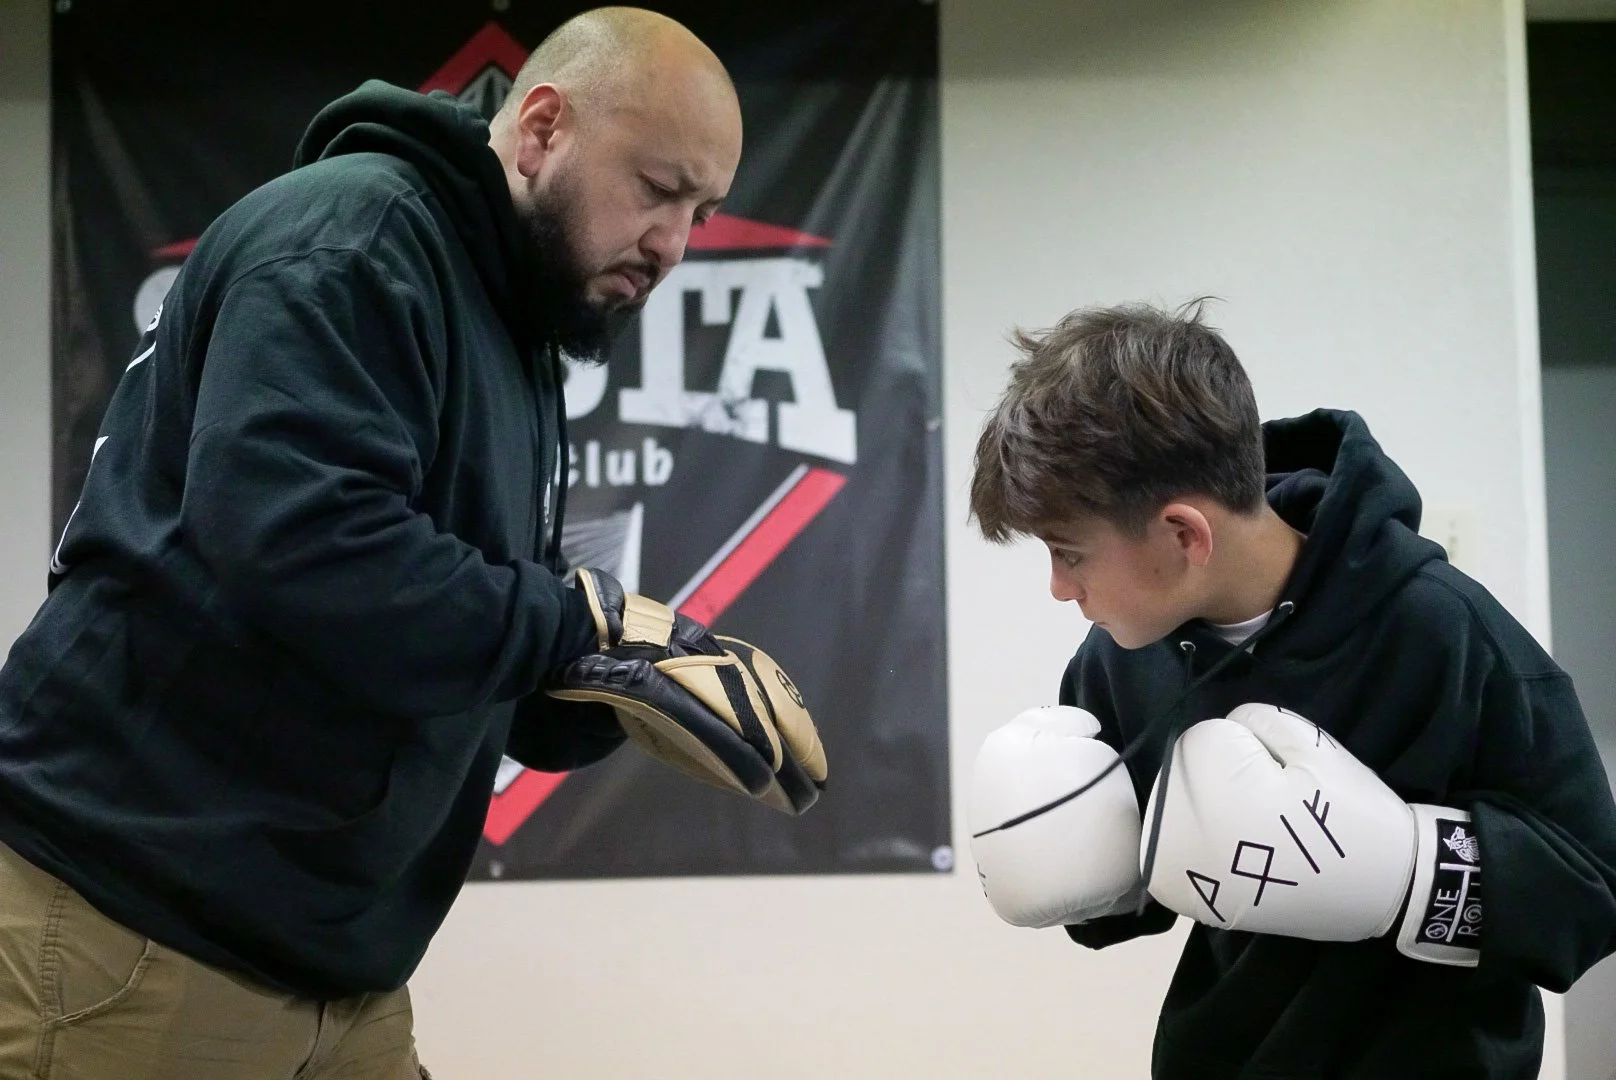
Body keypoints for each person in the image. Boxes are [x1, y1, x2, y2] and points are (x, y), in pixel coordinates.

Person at [0, 7, 823, 1078]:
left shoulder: (511, 323)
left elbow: (436, 624)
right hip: (130, 929)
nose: (672, 244)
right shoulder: (354, 240)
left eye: (701, 214)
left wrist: (601, 689)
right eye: (657, 190)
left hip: (333, 969)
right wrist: (579, 625)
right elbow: (301, 545)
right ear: (542, 129)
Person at [965, 301, 1616, 1079]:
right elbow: (1146, 894)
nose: (1058, 587)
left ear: (1184, 534)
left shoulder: (1441, 629)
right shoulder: (1120, 660)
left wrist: (1411, 871)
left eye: (1071, 554)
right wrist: (1082, 876)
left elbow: (1594, 893)